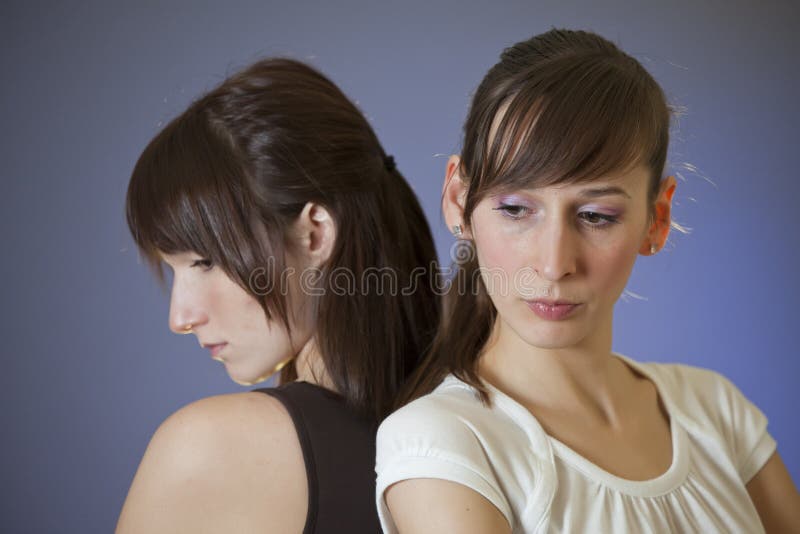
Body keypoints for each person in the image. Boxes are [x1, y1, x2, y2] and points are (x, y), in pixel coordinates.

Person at [375, 29, 800, 533]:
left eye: (596, 216)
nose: (555, 264)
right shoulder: (443, 440)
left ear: (656, 219)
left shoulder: (714, 410)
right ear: (456, 201)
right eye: (515, 209)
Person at [116, 58, 439, 533]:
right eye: (173, 271)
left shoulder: (206, 447)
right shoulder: (465, 434)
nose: (180, 317)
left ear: (314, 234)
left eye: (205, 262)